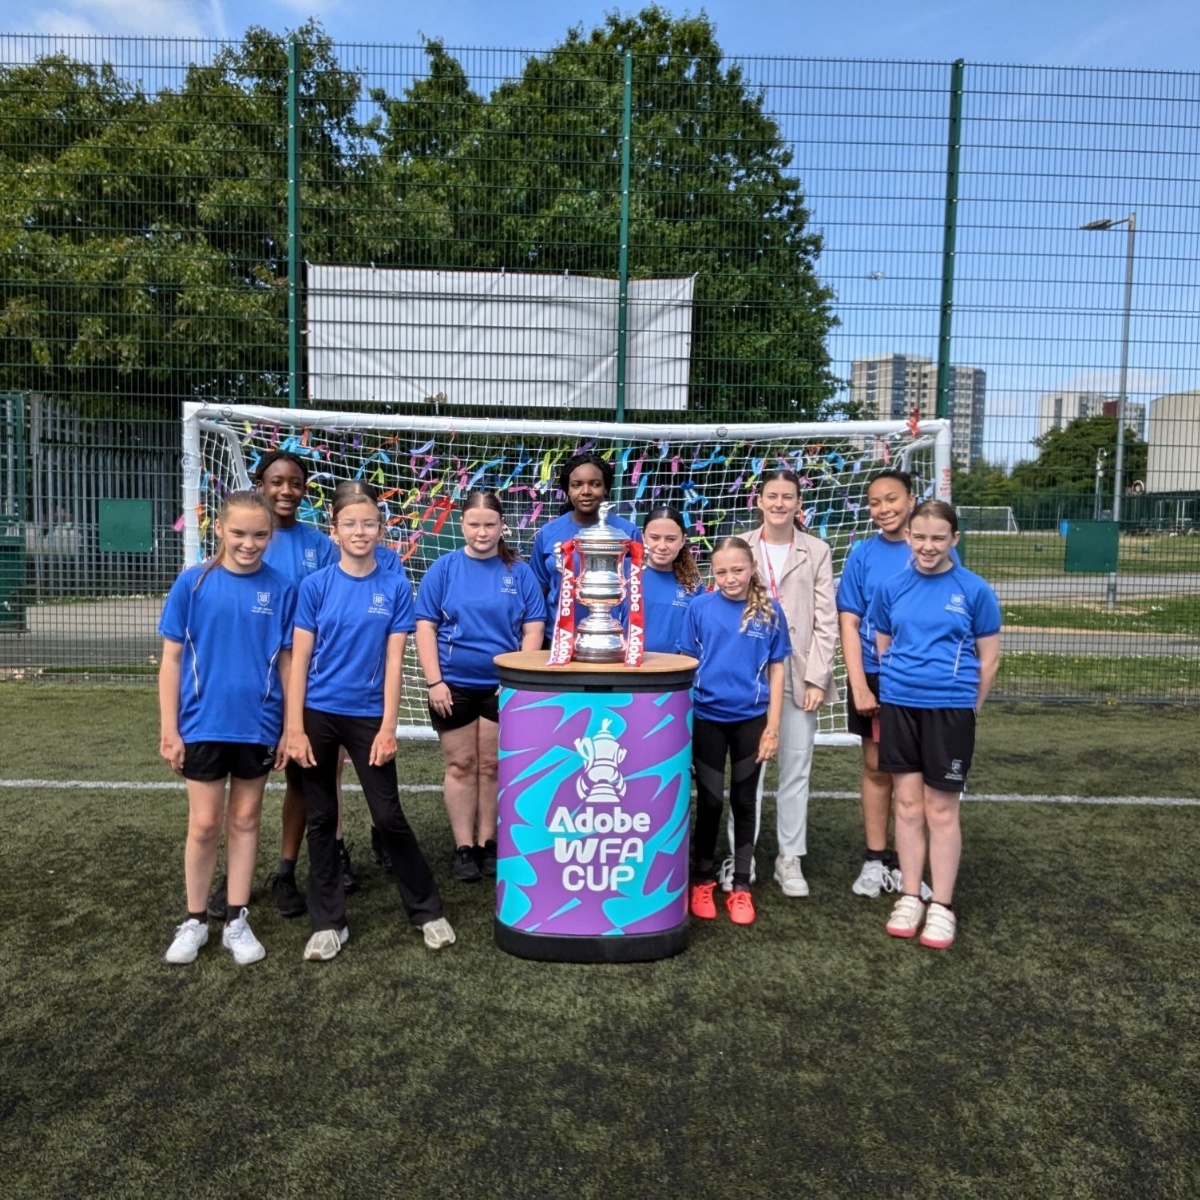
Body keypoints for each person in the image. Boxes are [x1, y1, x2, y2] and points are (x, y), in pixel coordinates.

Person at [285, 484, 455, 960]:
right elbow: (299, 661)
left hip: (368, 718)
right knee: (320, 817)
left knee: (388, 815)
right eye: (350, 524)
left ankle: (427, 911)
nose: (360, 532)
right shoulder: (315, 586)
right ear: (334, 530)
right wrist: (295, 726)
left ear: (382, 530)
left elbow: (395, 662)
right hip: (318, 714)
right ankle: (327, 922)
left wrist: (387, 726)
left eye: (369, 523)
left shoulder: (396, 587)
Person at [158, 490, 296, 966]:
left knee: (245, 820)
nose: (249, 543)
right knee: (203, 824)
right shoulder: (192, 585)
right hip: (201, 725)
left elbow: (286, 661)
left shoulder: (280, 588)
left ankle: (237, 919)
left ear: (270, 535)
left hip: (258, 725)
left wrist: (289, 727)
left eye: (260, 535)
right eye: (238, 533)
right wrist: (169, 728)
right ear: (218, 529)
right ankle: (195, 920)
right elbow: (172, 660)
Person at [870, 500, 1001, 950]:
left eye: (938, 538)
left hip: (950, 710)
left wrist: (969, 705)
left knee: (941, 809)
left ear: (954, 540)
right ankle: (911, 894)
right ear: (909, 537)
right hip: (900, 706)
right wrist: (901, 687)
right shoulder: (891, 588)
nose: (928, 546)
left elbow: (990, 658)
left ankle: (942, 905)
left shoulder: (974, 590)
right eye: (920, 537)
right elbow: (884, 643)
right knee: (906, 805)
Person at [415, 492, 545, 882]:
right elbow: (425, 625)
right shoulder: (444, 568)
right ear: (462, 525)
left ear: (501, 525)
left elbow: (533, 627)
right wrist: (434, 681)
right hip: (451, 685)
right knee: (460, 765)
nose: (482, 532)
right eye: (474, 524)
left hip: (499, 688)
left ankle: (489, 844)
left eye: (490, 524)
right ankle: (463, 848)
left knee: (490, 767)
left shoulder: (519, 571)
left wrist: (515, 679)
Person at [724, 468, 837, 899]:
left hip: (798, 677)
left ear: (797, 502)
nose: (779, 504)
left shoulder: (818, 551)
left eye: (787, 497)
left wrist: (816, 678)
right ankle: (741, 855)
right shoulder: (742, 547)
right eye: (772, 495)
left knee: (795, 769)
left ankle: (789, 857)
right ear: (759, 500)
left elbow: (825, 621)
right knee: (748, 773)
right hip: (748, 678)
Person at [677, 537, 791, 926]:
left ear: (752, 568)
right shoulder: (698, 608)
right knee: (709, 803)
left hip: (752, 721)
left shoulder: (771, 611)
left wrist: (772, 727)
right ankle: (702, 880)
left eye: (738, 570)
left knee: (745, 802)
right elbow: (686, 664)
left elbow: (778, 671)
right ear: (713, 572)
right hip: (707, 718)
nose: (730, 578)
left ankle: (741, 885)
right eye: (722, 571)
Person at [836, 468, 926, 898]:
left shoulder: (931, 548)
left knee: (916, 774)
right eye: (874, 502)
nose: (884, 509)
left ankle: (913, 867)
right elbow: (849, 621)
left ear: (911, 499)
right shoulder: (862, 554)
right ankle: (875, 859)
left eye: (891, 499)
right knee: (876, 769)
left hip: (921, 679)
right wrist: (859, 684)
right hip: (874, 675)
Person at [530, 451, 641, 631]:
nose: (586, 491)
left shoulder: (627, 533)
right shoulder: (548, 533)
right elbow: (538, 592)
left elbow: (637, 591)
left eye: (595, 484)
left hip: (613, 637)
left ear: (606, 488)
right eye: (577, 485)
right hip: (558, 641)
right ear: (567, 490)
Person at [640, 505, 704, 654]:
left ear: (683, 540)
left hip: (677, 672)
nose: (662, 546)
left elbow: (698, 635)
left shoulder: (692, 583)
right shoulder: (625, 573)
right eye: (654, 538)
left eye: (670, 539)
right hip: (629, 670)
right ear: (643, 536)